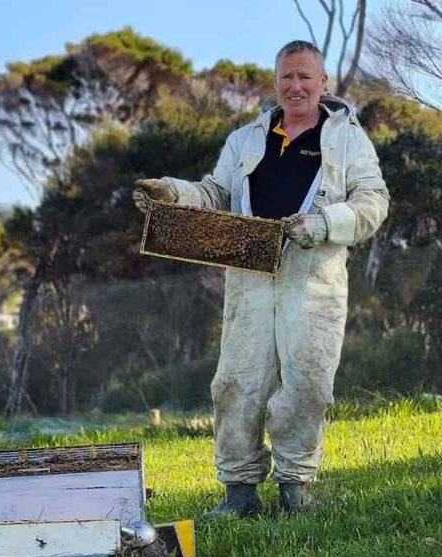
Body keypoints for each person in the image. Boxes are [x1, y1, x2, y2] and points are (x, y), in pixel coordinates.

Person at [132, 40, 389, 517]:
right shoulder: (246, 139)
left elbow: (373, 201)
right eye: (287, 77)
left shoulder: (348, 139)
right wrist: (171, 192)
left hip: (313, 280)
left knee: (308, 384)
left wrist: (325, 224)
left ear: (322, 83)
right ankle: (240, 494)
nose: (295, 86)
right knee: (235, 384)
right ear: (275, 83)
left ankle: (296, 489)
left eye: (305, 77)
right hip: (249, 281)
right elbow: (214, 194)